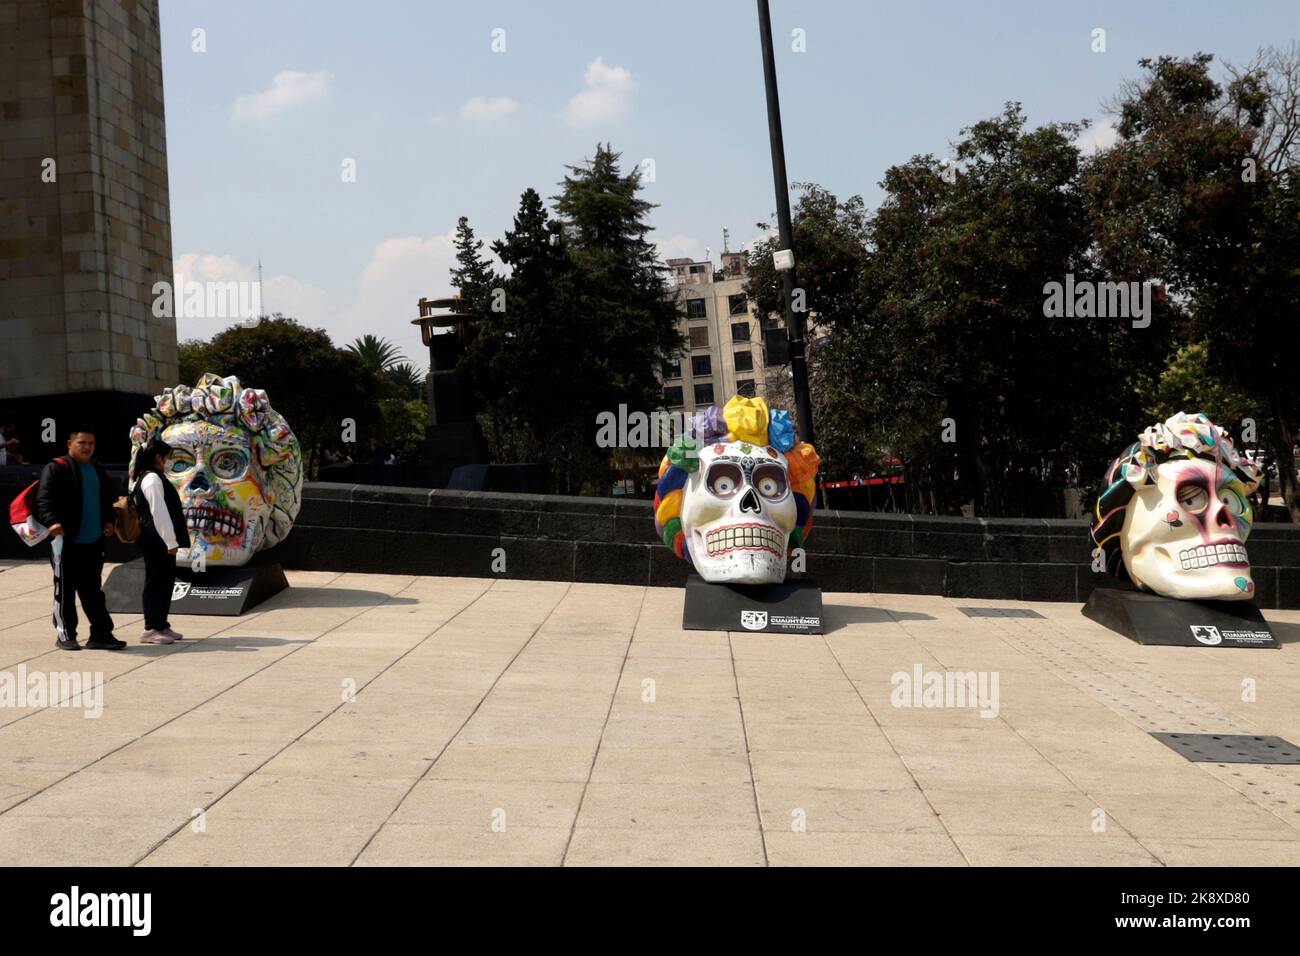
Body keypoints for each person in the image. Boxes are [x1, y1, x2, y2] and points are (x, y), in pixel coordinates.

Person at [36, 425, 121, 651]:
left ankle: (101, 635)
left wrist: (109, 521)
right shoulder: (57, 468)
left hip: (93, 543)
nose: (87, 447)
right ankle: (66, 635)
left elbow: (106, 500)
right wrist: (52, 522)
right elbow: (43, 500)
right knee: (65, 591)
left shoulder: (97, 468)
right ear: (69, 444)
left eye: (91, 443)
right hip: (65, 543)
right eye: (82, 443)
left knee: (93, 591)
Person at [131, 439, 191, 645]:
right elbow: (159, 513)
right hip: (156, 540)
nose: (168, 461)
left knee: (165, 582)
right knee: (156, 582)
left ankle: (162, 624)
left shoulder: (152, 477)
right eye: (167, 457)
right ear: (158, 457)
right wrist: (169, 542)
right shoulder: (152, 479)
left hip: (160, 540)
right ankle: (151, 628)